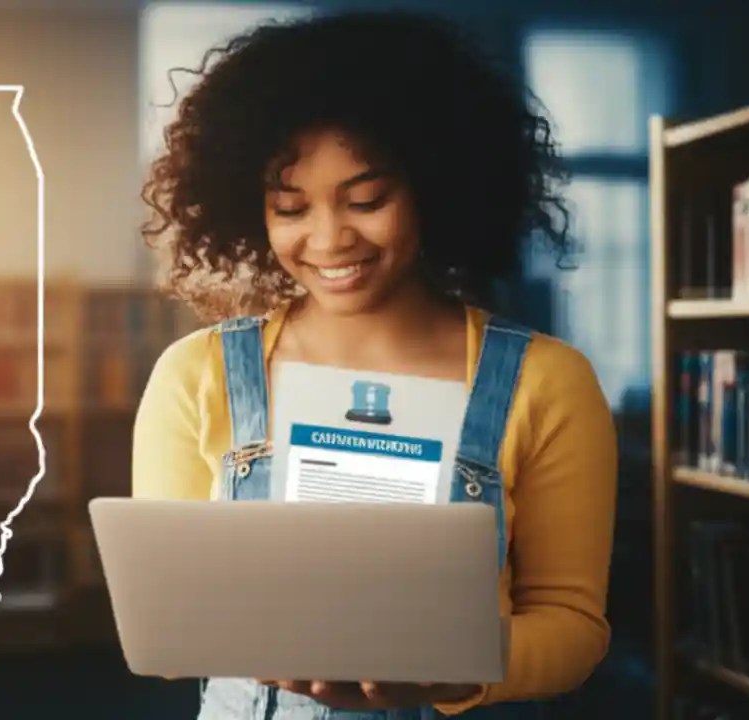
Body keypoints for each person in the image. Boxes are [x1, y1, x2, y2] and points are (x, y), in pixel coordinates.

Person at [132, 9, 617, 719]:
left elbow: (574, 628)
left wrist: (454, 673)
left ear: (436, 185)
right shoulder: (196, 377)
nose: (329, 240)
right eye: (290, 207)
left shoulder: (548, 382)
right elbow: (165, 621)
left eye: (366, 200)